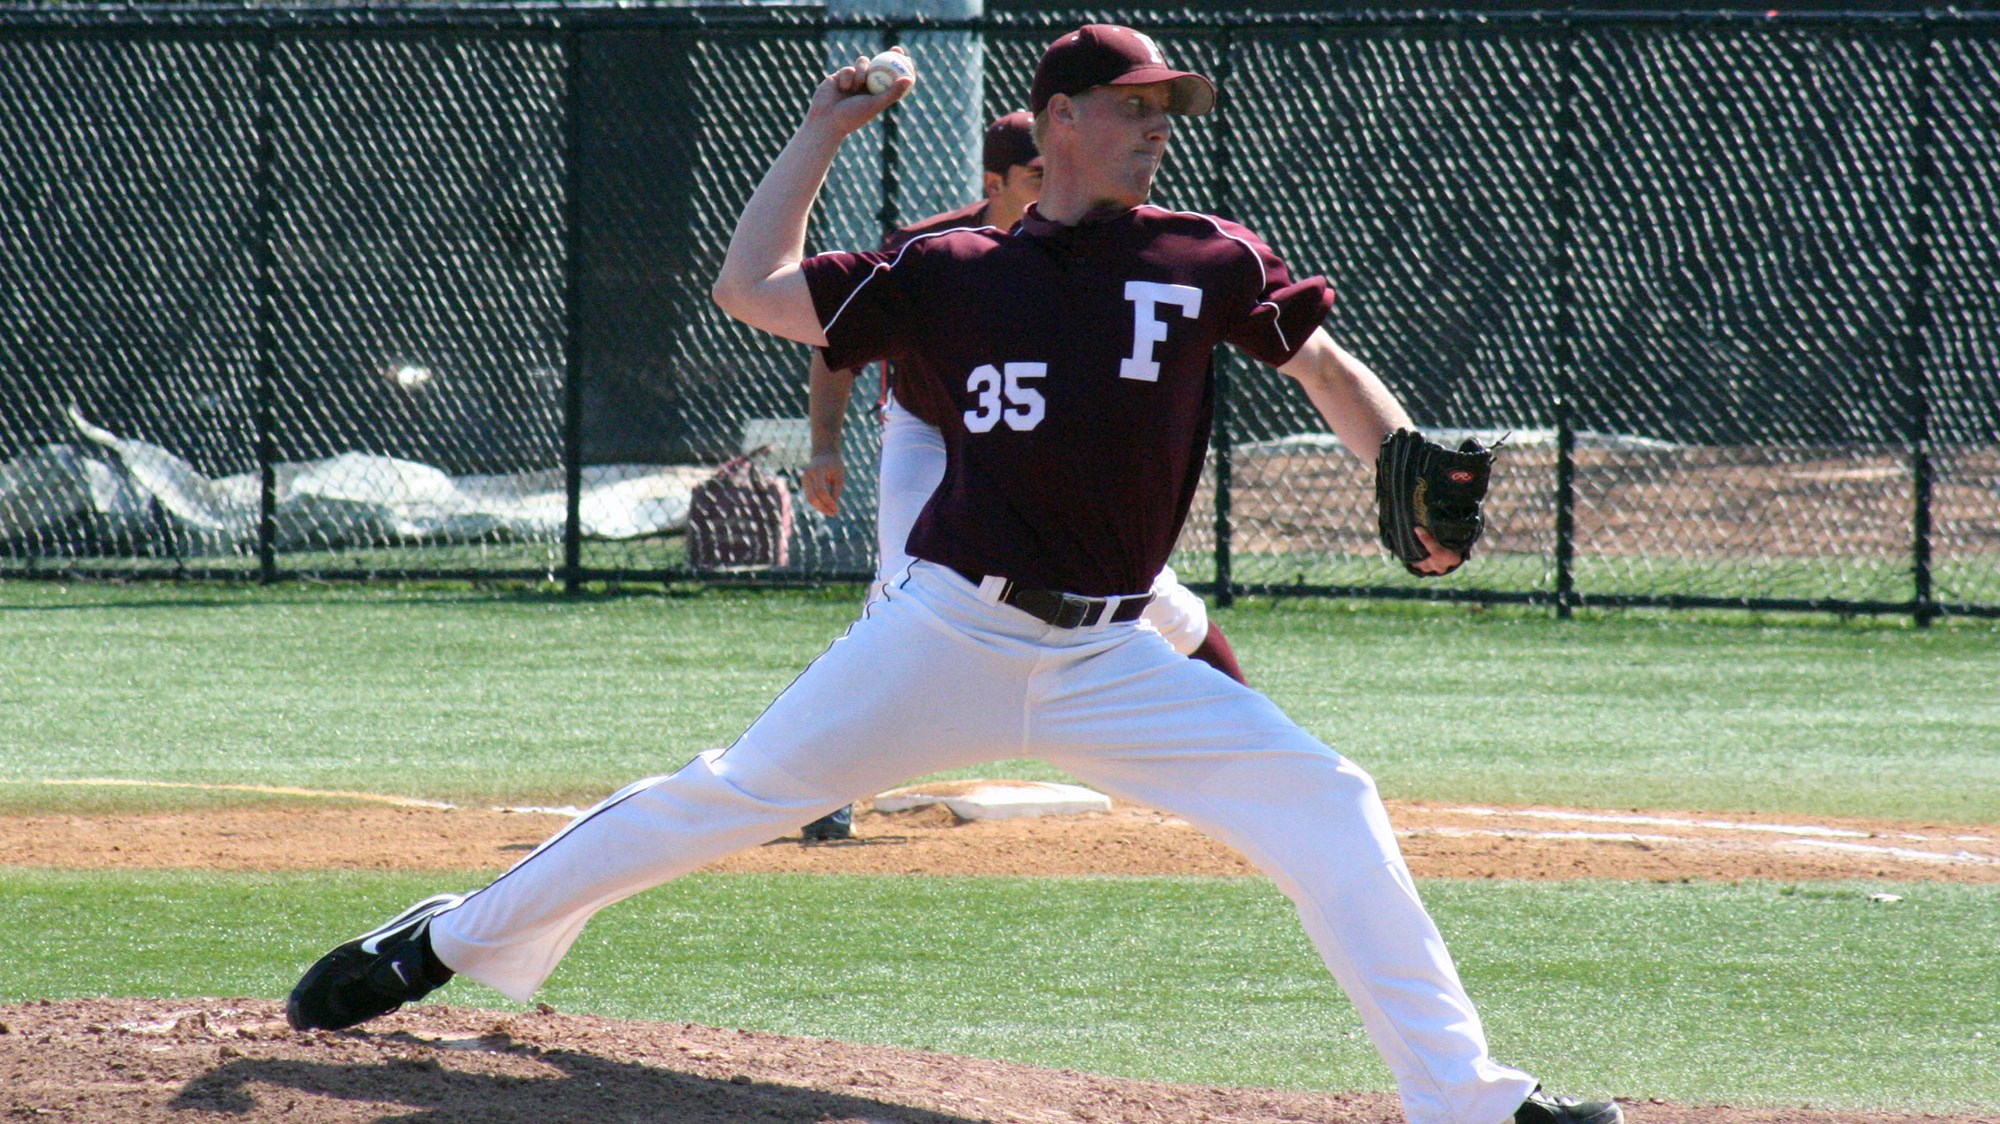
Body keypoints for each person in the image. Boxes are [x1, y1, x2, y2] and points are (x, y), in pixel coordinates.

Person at [286, 27, 1621, 1124]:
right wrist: (822, 129)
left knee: (1331, 806)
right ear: (1055, 123)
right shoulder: (951, 270)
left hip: (1110, 658)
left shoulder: (1203, 252)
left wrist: (1395, 462)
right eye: (1131, 105)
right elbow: (753, 288)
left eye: (1169, 107)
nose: (1160, 125)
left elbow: (1322, 367)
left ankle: (1471, 1102)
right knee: (728, 799)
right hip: (945, 636)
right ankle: (446, 941)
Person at [796, 109, 1246, 844]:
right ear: (994, 183)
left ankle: (1247, 738)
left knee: (1150, 590)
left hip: (1041, 437)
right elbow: (831, 334)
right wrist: (824, 445)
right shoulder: (930, 248)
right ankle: (829, 779)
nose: (1053, 181)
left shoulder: (1092, 245)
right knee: (900, 589)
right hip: (932, 429)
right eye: (1034, 173)